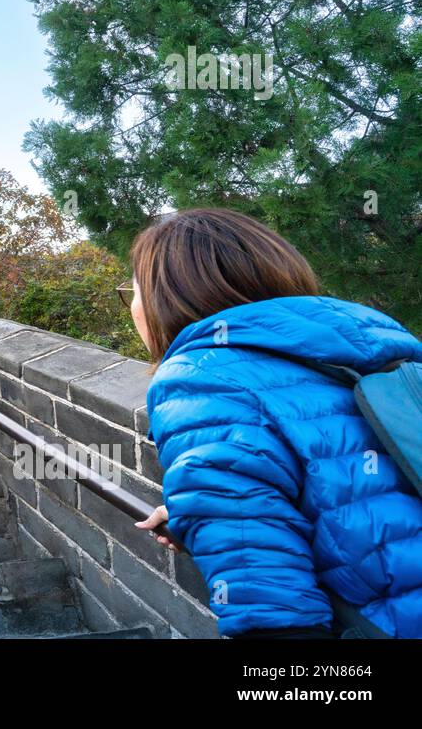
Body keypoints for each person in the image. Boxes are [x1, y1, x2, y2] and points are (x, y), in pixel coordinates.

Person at [127, 208, 422, 638]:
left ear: (162, 299)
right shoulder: (378, 343)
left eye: (132, 293)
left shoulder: (202, 379)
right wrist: (208, 506)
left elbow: (274, 615)